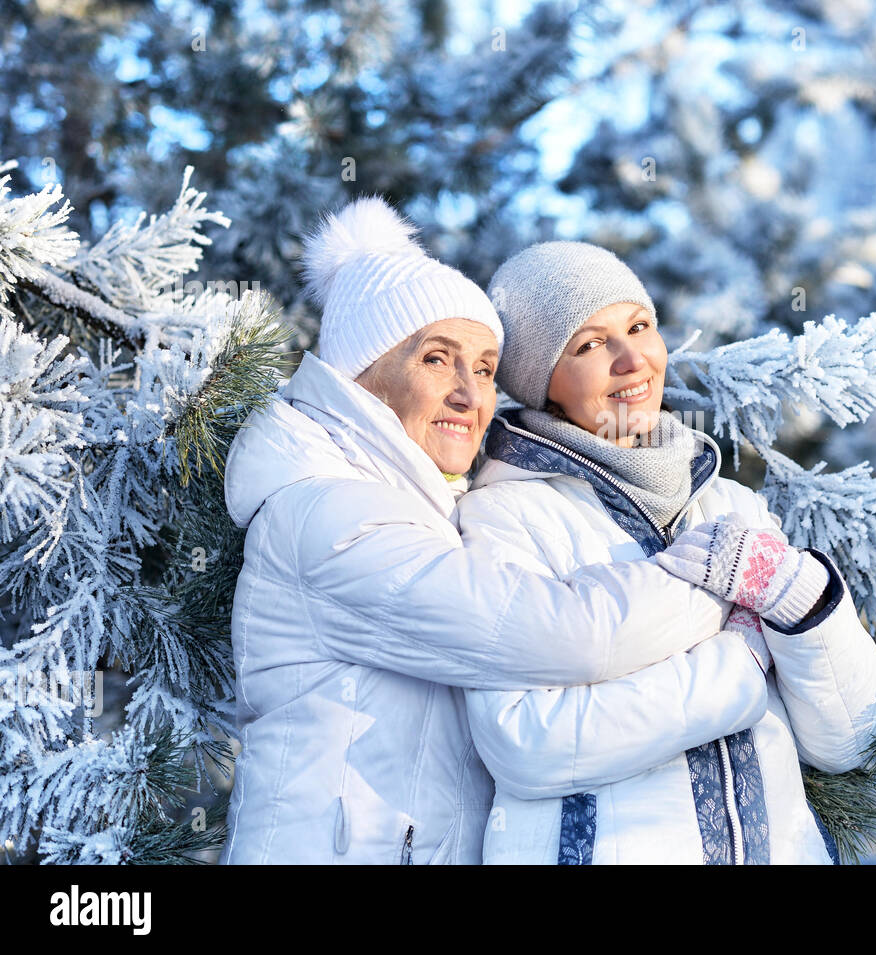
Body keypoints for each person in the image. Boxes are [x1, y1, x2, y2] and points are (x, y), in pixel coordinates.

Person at [218, 201, 751, 864]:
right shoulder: (327, 518)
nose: (472, 395)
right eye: (438, 360)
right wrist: (732, 584)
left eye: (486, 367)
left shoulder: (429, 508)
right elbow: (561, 633)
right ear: (362, 375)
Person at [454, 241, 876, 864]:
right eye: (589, 344)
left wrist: (796, 598)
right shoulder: (506, 518)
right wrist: (740, 660)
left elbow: (848, 741)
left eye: (639, 327)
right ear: (539, 382)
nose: (632, 360)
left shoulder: (734, 506)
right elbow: (528, 743)